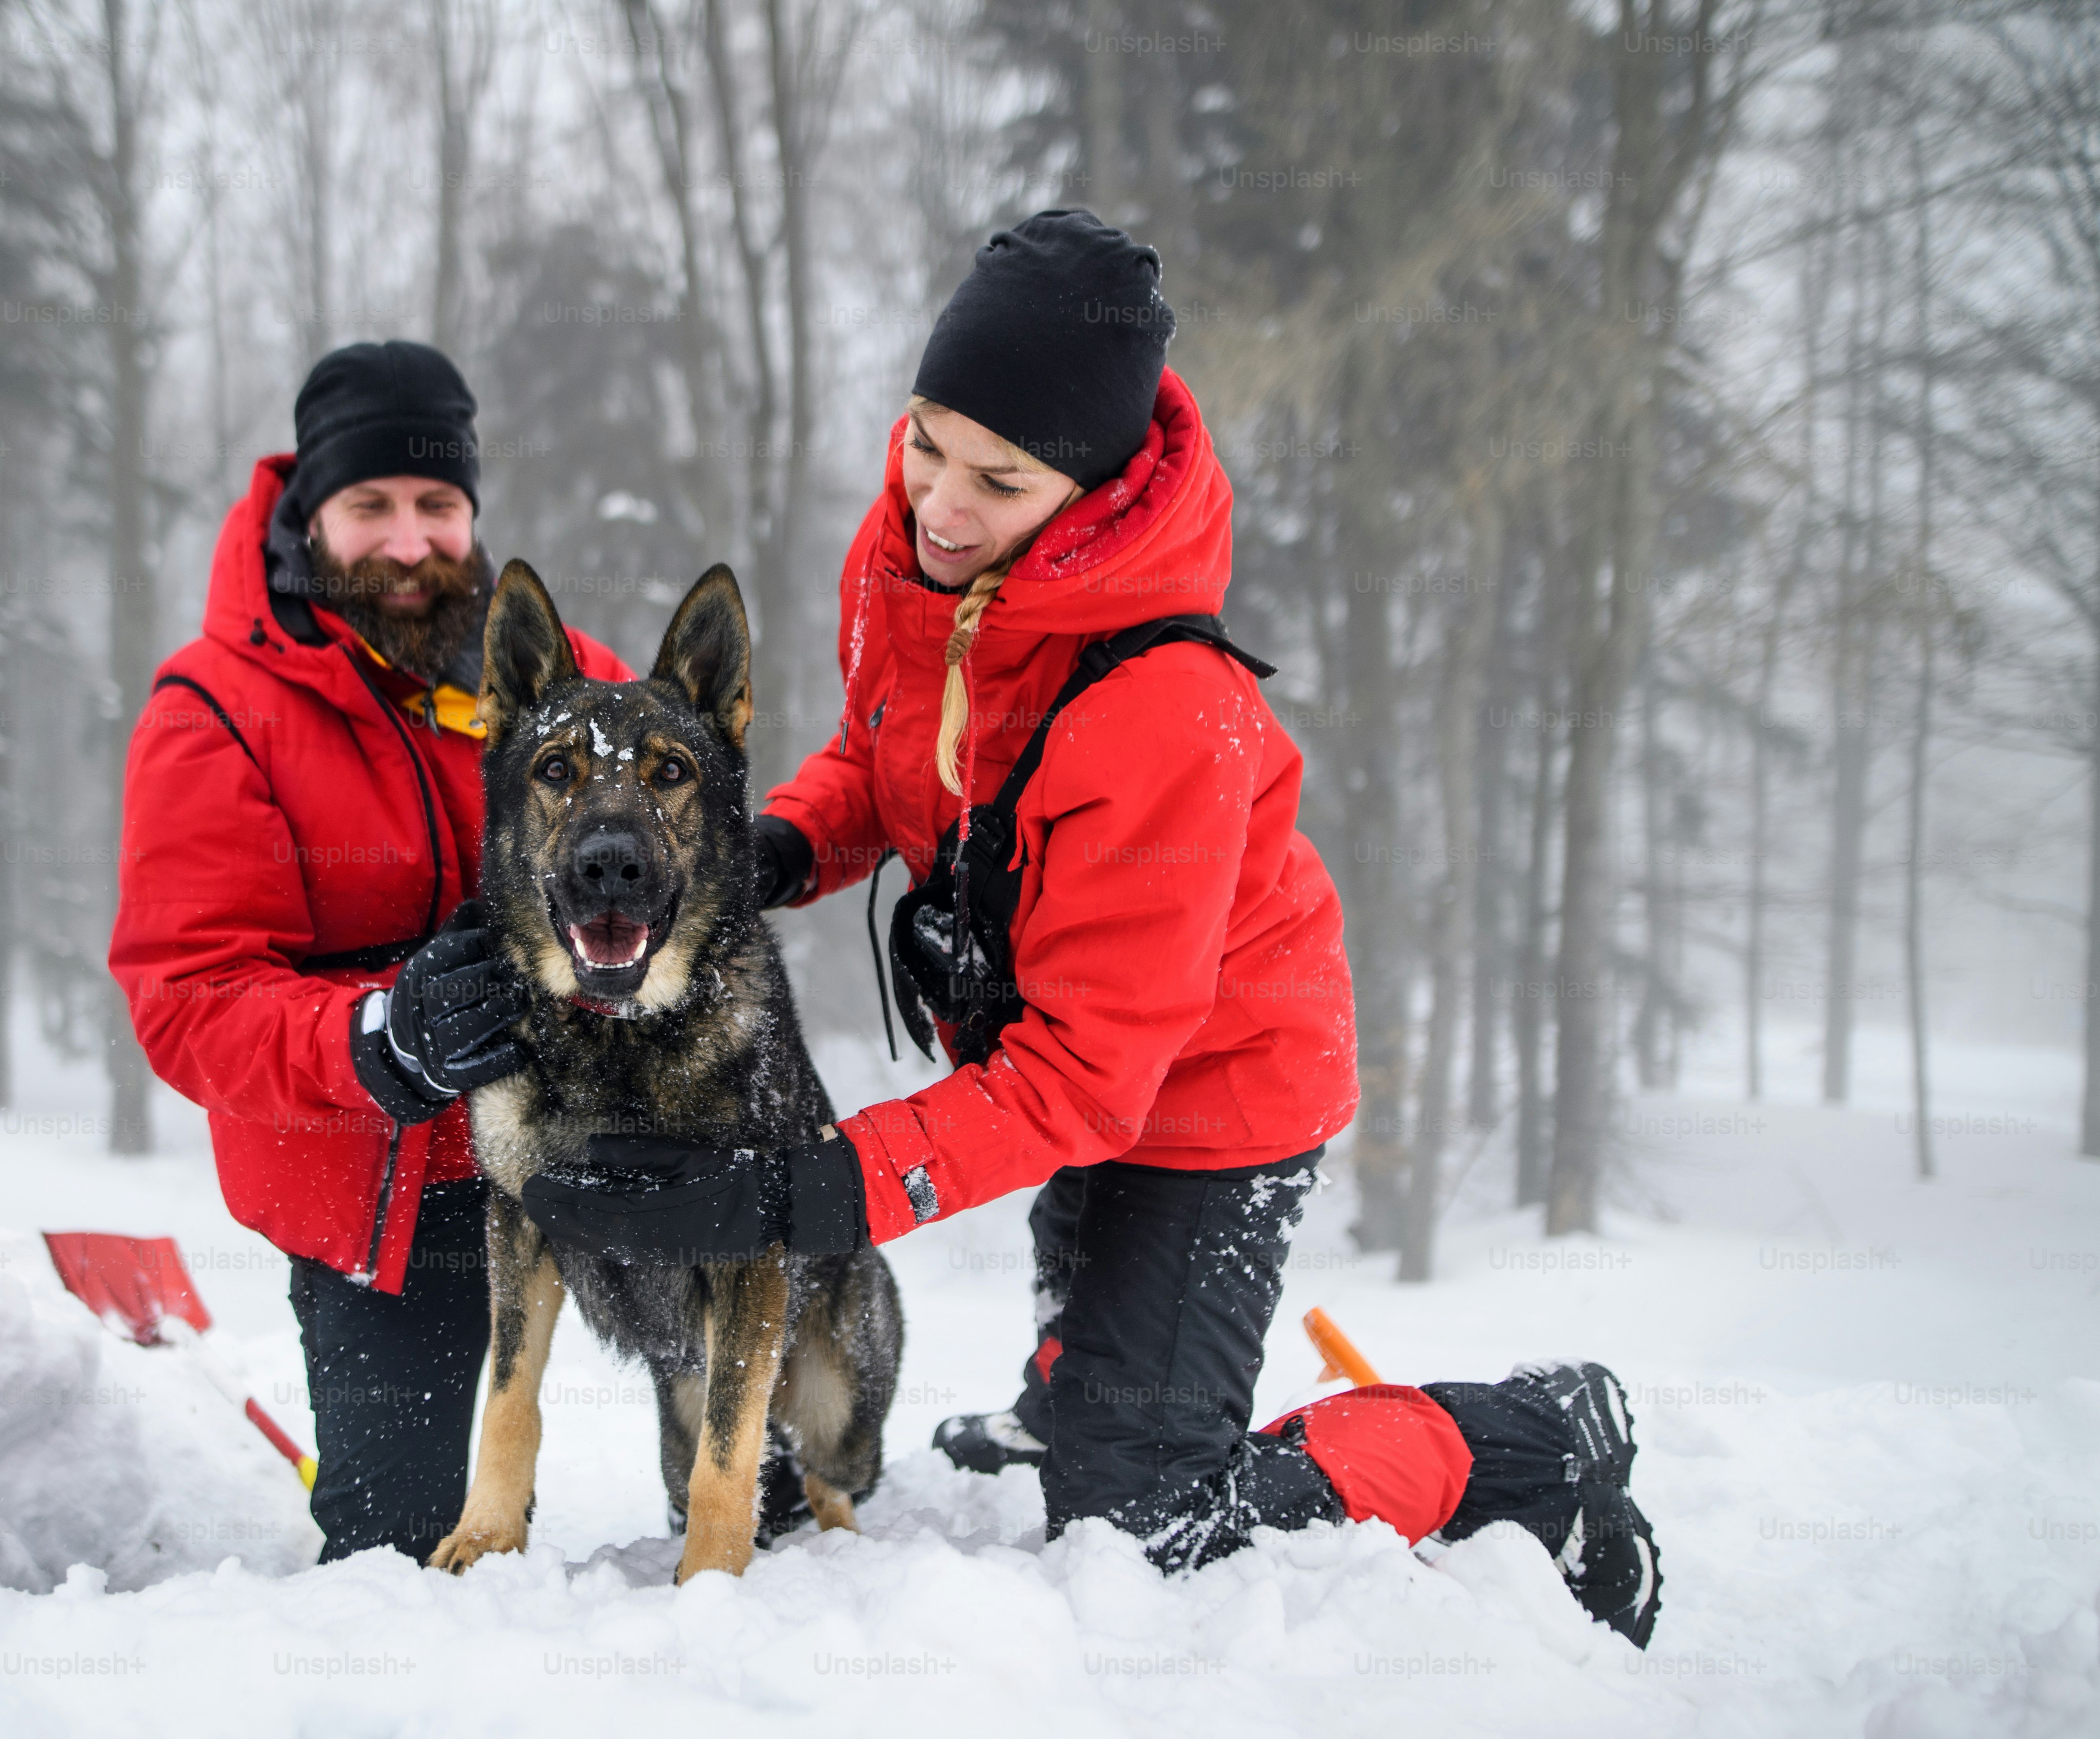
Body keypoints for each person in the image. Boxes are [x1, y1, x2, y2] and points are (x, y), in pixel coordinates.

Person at [524, 212, 1662, 1645]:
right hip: (1048, 1039)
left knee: (1147, 1521)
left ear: (1091, 490)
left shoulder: (1164, 712)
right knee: (1094, 1363)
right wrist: (779, 846)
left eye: (998, 480)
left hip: (1213, 1094)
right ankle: (1084, 1395)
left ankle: (1524, 1436)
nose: (938, 500)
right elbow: (896, 767)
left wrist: (812, 1189)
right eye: (929, 440)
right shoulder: (914, 564)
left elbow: (1085, 1083)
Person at [108, 341, 632, 1563]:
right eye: (372, 506)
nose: (410, 541)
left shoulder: (567, 676)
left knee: (730, 1475)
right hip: (384, 1197)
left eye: (438, 505)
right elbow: (187, 997)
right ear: (310, 512)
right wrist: (374, 1034)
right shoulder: (216, 712)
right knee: (400, 1557)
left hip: (576, 1149)